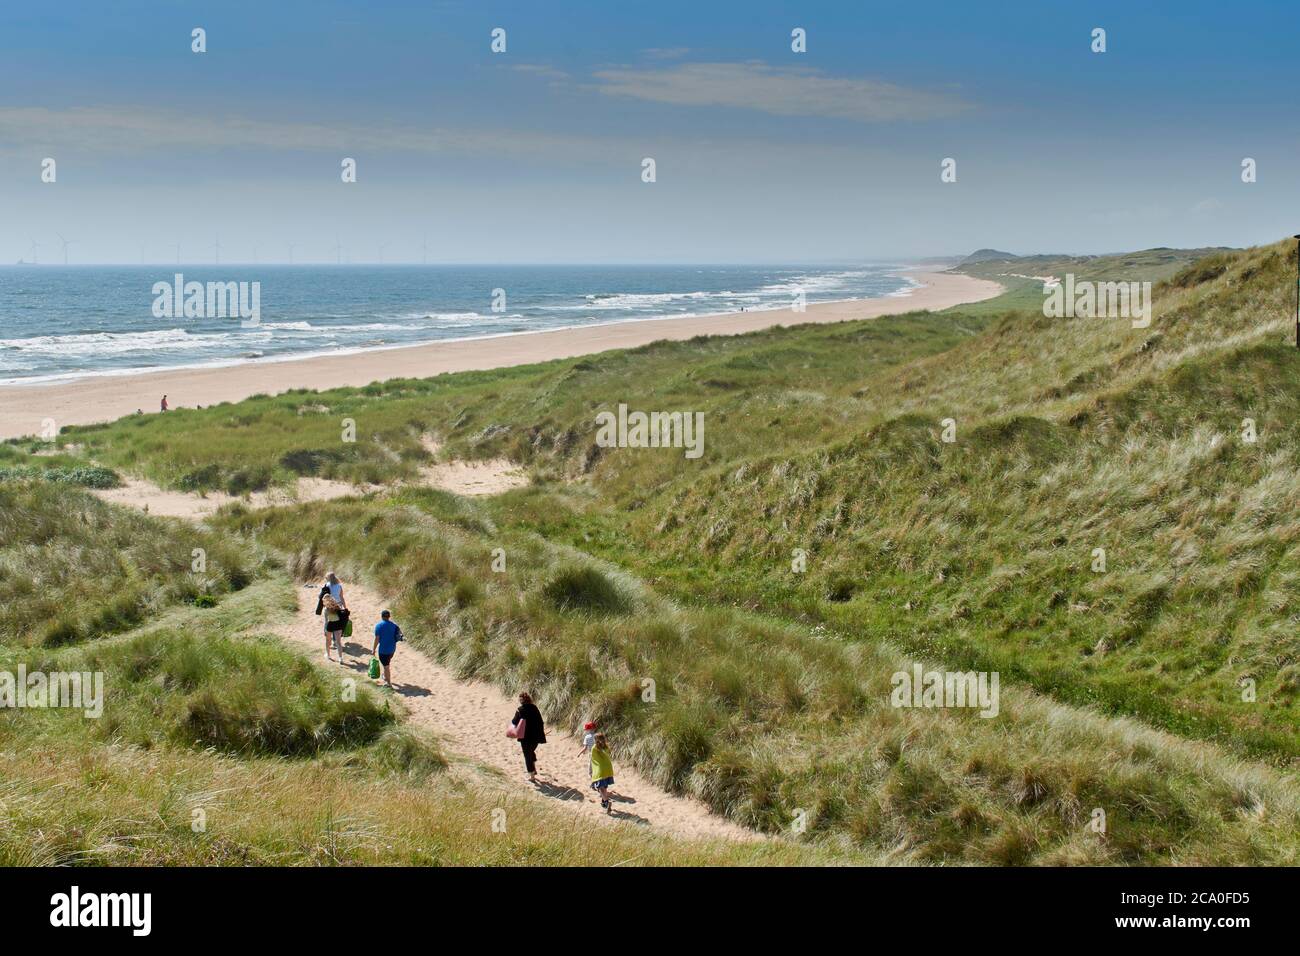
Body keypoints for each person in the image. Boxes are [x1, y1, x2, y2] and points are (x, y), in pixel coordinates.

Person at [510, 692, 546, 782]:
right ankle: (533, 768)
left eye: (520, 699)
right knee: (531, 751)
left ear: (522, 700)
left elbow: (514, 721)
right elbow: (540, 721)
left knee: (527, 755)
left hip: (525, 737)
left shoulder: (520, 710)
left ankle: (532, 776)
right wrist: (541, 732)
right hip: (536, 736)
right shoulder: (534, 708)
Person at [314, 571, 348, 664]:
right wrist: (345, 607)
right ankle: (338, 650)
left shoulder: (327, 585)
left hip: (329, 608)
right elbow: (342, 597)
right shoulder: (339, 586)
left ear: (328, 578)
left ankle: (329, 652)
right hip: (338, 607)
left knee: (328, 623)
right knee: (338, 626)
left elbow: (321, 596)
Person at [371, 610, 403, 687]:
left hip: (383, 650)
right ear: (389, 617)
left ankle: (388, 683)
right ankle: (385, 676)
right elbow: (400, 634)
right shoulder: (394, 625)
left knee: (386, 666)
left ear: (382, 616)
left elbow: (377, 639)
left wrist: (373, 649)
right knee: (387, 664)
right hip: (392, 649)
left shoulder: (379, 626)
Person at [590, 733, 615, 812]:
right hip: (608, 768)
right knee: (604, 787)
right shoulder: (606, 747)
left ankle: (607, 802)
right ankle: (604, 801)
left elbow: (592, 758)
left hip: (600, 770)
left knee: (601, 788)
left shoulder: (594, 747)